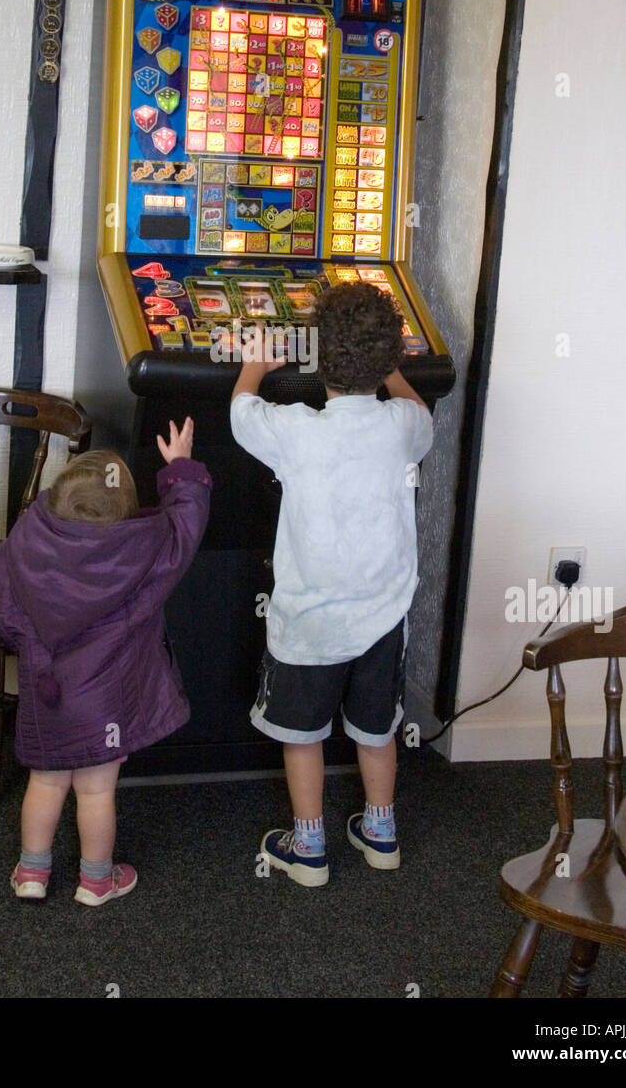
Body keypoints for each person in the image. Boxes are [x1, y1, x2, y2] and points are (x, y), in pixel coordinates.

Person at [230, 282, 433, 887]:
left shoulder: (294, 429)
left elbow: (242, 416)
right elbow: (419, 412)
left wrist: (252, 369)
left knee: (302, 735)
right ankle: (381, 831)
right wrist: (393, 371)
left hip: (309, 621)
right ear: (390, 352)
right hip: (383, 613)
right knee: (377, 730)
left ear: (317, 355)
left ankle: (309, 847)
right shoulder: (402, 426)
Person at [0, 419, 210, 906]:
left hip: (46, 698)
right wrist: (180, 467)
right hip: (106, 711)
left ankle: (32, 874)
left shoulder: (22, 550)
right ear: (122, 514)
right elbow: (187, 524)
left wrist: (20, 634)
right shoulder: (146, 550)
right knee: (97, 793)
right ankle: (97, 880)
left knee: (45, 782)